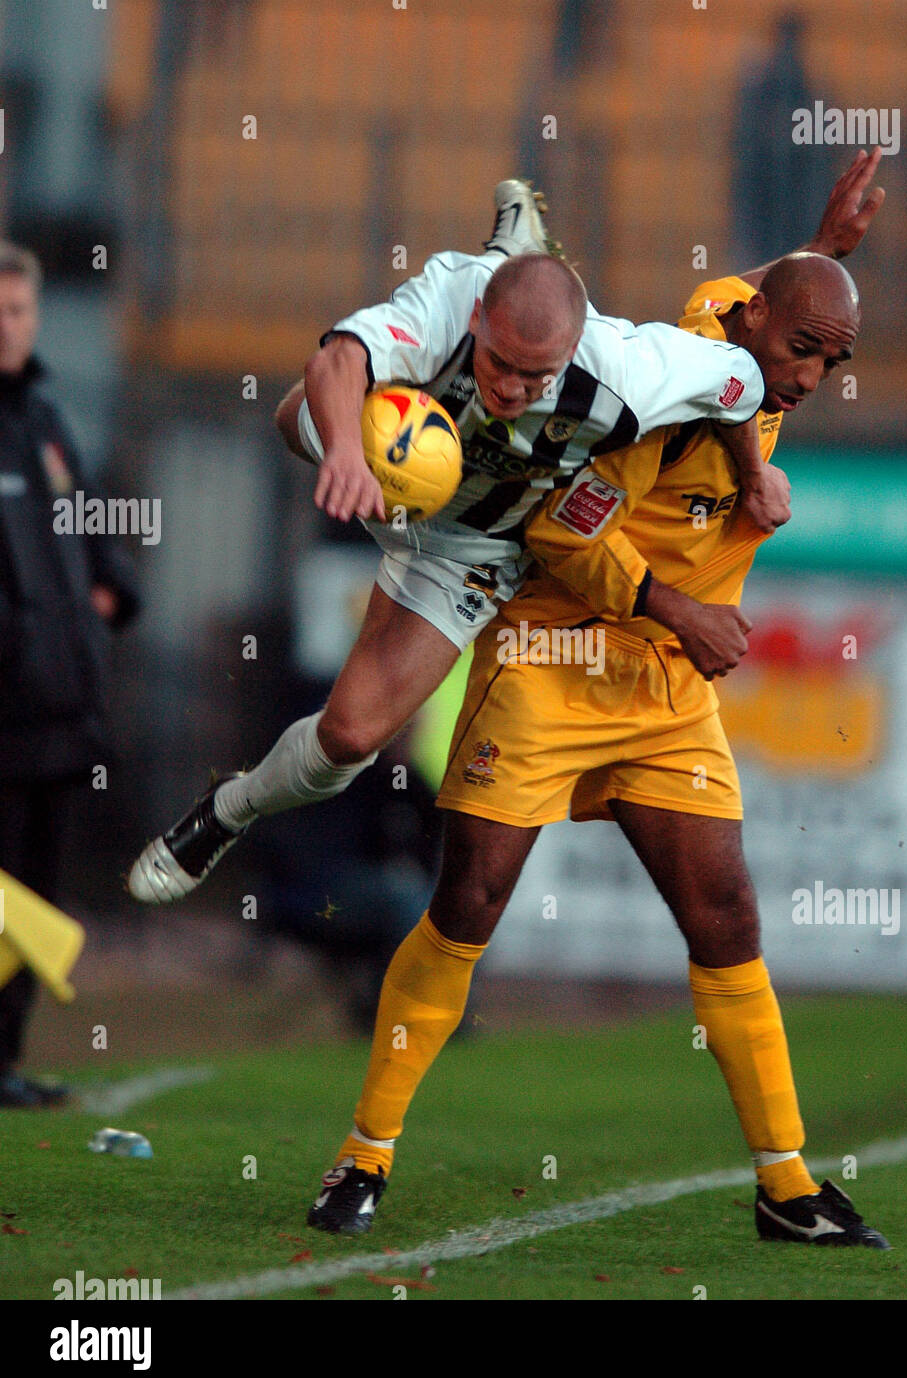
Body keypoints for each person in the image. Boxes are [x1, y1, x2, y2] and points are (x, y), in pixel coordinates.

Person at [305, 162, 891, 1248]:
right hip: (547, 660)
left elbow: (776, 303)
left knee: (725, 914)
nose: (809, 377)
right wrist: (679, 604)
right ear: (754, 335)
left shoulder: (748, 325)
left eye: (831, 359)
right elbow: (554, 529)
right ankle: (364, 1155)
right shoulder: (649, 405)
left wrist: (826, 243)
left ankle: (786, 1182)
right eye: (802, 353)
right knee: (470, 902)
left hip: (666, 695)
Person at [128, 181, 790, 904]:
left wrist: (754, 474)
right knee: (298, 417)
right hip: (386, 465)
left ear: (573, 351)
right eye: (498, 361)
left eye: (534, 375)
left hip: (471, 548)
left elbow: (743, 382)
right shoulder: (451, 299)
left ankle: (231, 808)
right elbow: (337, 362)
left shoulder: (630, 372)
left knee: (349, 743)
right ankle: (511, 257)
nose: (509, 387)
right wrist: (346, 452)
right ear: (480, 319)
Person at [0, 242, 140, 1107]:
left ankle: (5, 1060)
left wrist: (112, 593)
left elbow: (89, 528)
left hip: (60, 707)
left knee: (35, 901)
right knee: (6, 896)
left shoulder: (45, 417)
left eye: (18, 310)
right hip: (6, 708)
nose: (8, 327)